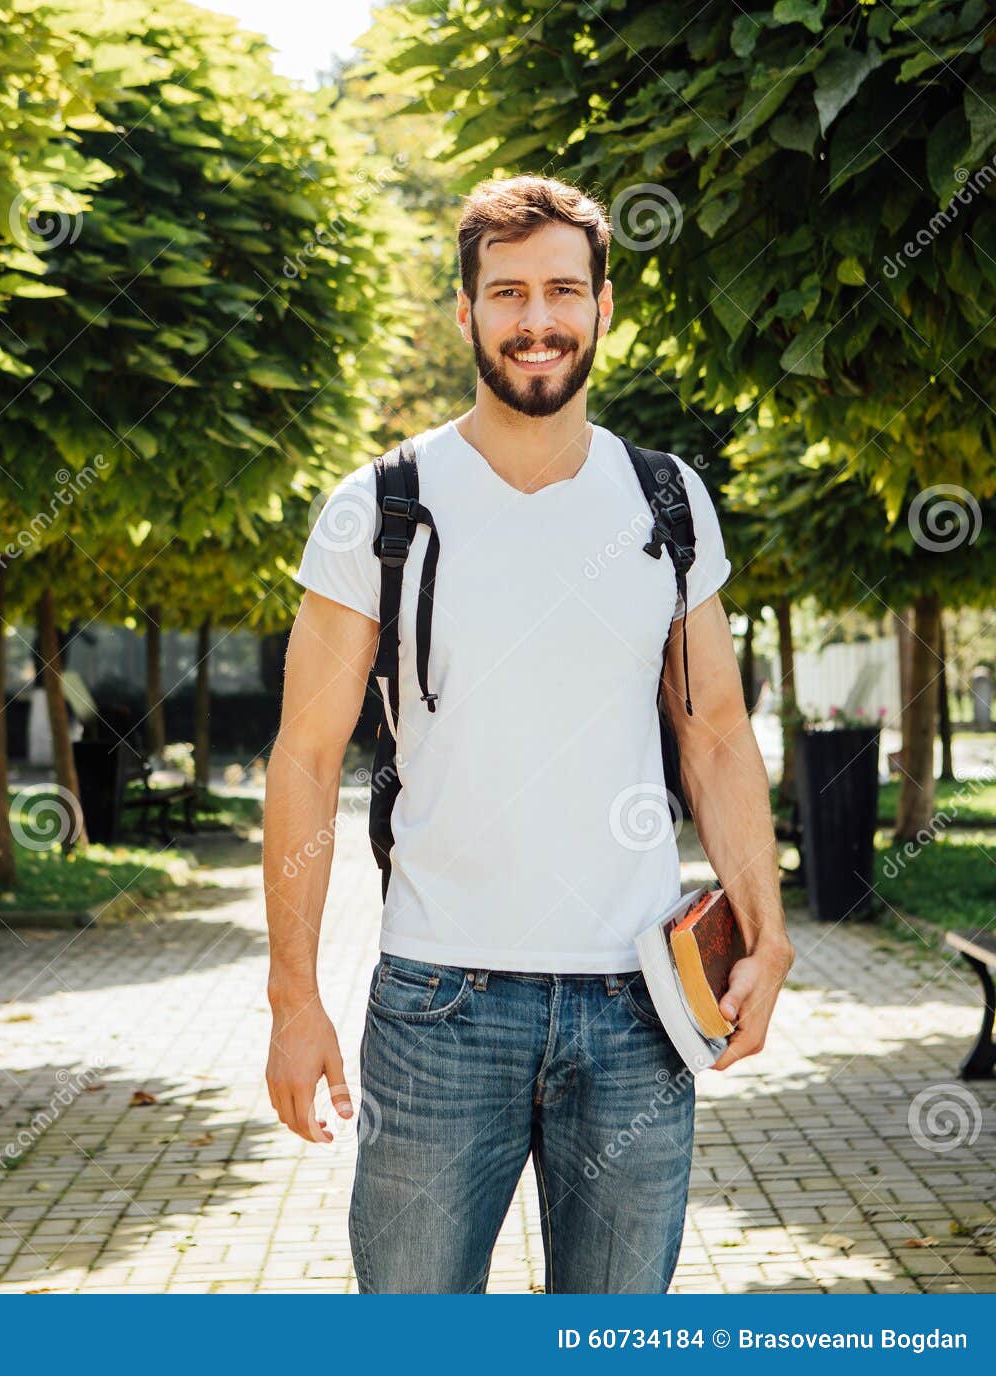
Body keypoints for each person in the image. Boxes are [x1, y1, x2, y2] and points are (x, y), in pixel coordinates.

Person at [262, 175, 795, 1294]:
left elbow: (716, 741)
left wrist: (769, 930)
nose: (535, 318)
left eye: (562, 289)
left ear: (603, 306)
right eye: (506, 292)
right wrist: (293, 998)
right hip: (437, 1004)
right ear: (465, 313)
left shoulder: (666, 502)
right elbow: (304, 762)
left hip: (638, 1012)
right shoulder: (381, 505)